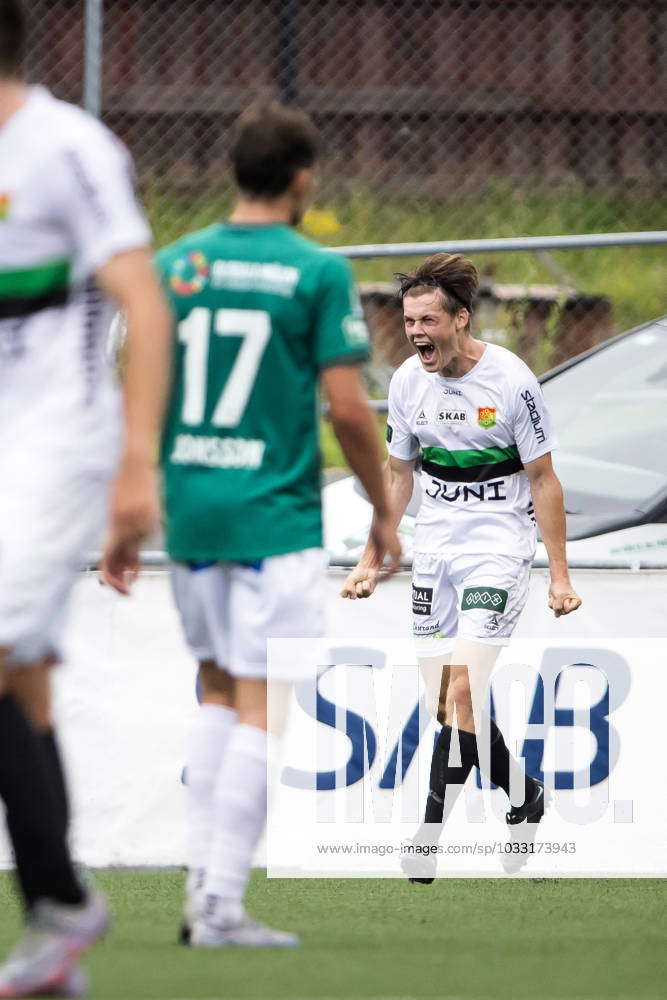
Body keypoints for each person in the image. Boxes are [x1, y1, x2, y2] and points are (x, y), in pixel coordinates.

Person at [104, 102, 401, 946]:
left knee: (216, 687)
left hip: (193, 511)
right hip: (274, 518)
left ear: (232, 171)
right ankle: (220, 904)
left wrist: (129, 499)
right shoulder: (316, 271)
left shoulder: (175, 264)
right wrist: (383, 509)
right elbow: (349, 408)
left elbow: (138, 384)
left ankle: (203, 890)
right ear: (303, 179)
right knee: (262, 704)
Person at [0, 1, 172, 994]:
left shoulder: (69, 148)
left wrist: (134, 469)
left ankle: (61, 899)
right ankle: (54, 934)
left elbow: (144, 304)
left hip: (58, 444)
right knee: (23, 678)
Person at [341, 252, 581, 880]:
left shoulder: (511, 381)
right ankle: (525, 794)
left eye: (428, 321)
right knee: (451, 706)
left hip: (498, 547)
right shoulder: (406, 383)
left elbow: (544, 479)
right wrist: (371, 559)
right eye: (408, 321)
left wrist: (559, 575)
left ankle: (427, 836)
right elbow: (398, 474)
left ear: (461, 319)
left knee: (463, 688)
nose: (415, 332)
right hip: (435, 550)